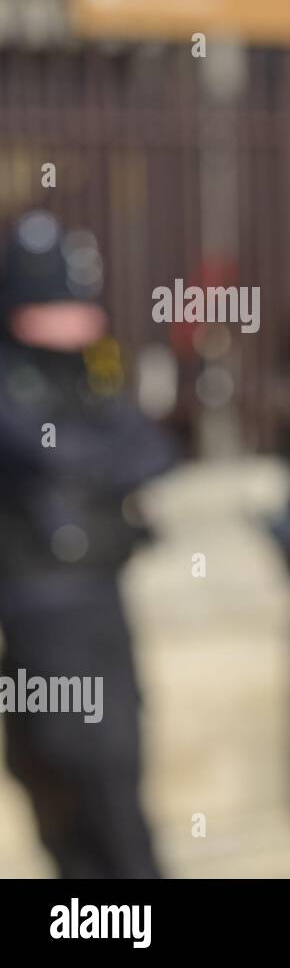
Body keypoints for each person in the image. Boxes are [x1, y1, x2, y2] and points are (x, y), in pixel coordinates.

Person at [0, 209, 176, 877]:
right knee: (74, 773)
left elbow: (149, 449)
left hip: (100, 595)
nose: (85, 321)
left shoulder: (89, 371)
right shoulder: (15, 377)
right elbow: (55, 454)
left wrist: (99, 463)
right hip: (45, 605)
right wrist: (96, 463)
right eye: (62, 303)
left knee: (113, 778)